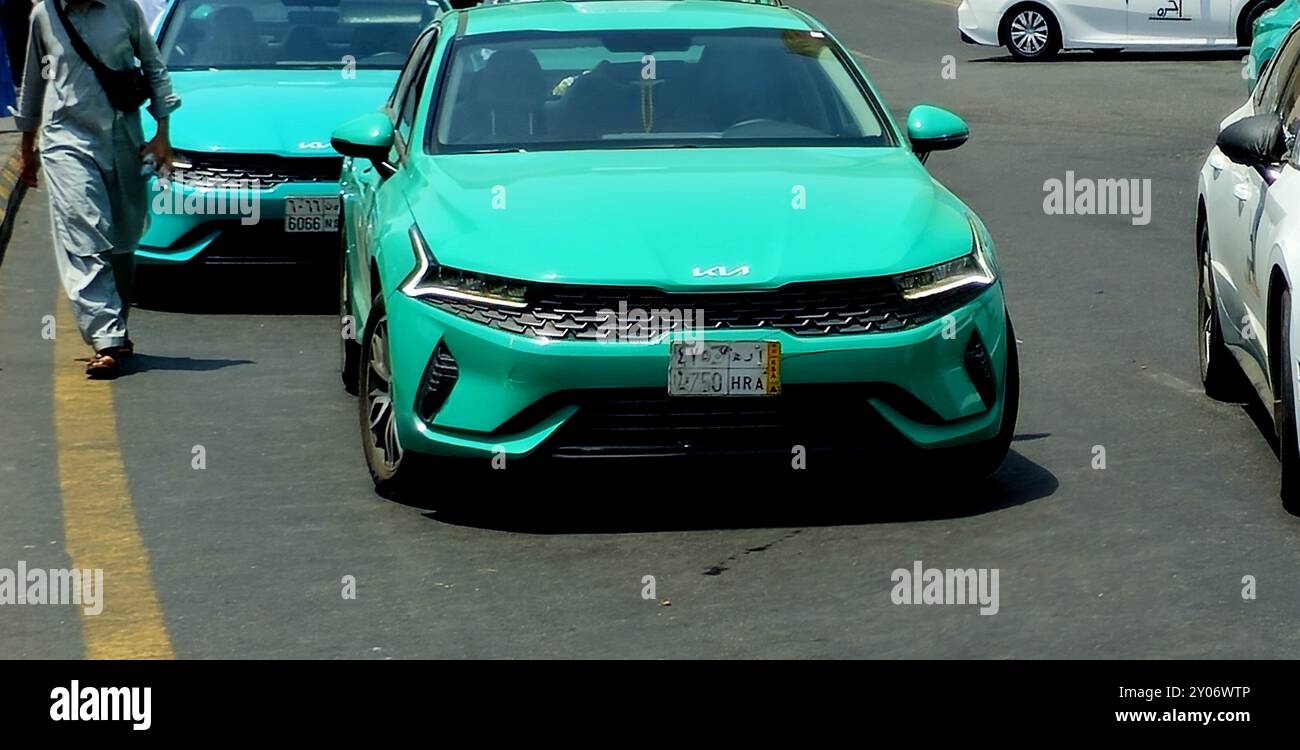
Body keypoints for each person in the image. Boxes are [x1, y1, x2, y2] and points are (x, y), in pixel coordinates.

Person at [15, 0, 180, 378]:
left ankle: (115, 328)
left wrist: (163, 135)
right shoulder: (46, 16)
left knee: (122, 237)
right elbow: (35, 82)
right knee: (84, 230)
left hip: (124, 138)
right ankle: (106, 336)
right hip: (66, 140)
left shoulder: (125, 10)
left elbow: (154, 67)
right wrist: (27, 147)